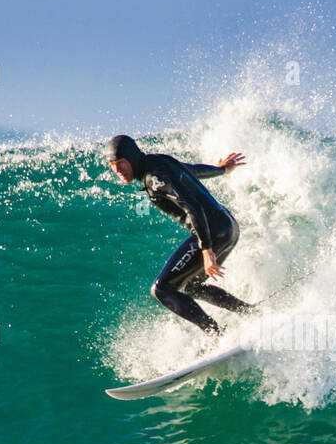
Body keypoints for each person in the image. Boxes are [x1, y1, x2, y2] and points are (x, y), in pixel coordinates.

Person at [106, 134, 254, 335]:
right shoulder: (159, 161)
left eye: (121, 163)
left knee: (161, 289)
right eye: (112, 164)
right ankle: (250, 312)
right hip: (228, 227)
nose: (117, 170)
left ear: (131, 158)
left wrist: (206, 249)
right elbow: (191, 170)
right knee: (192, 286)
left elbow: (192, 206)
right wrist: (221, 169)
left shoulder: (154, 178)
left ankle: (215, 333)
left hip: (211, 232)